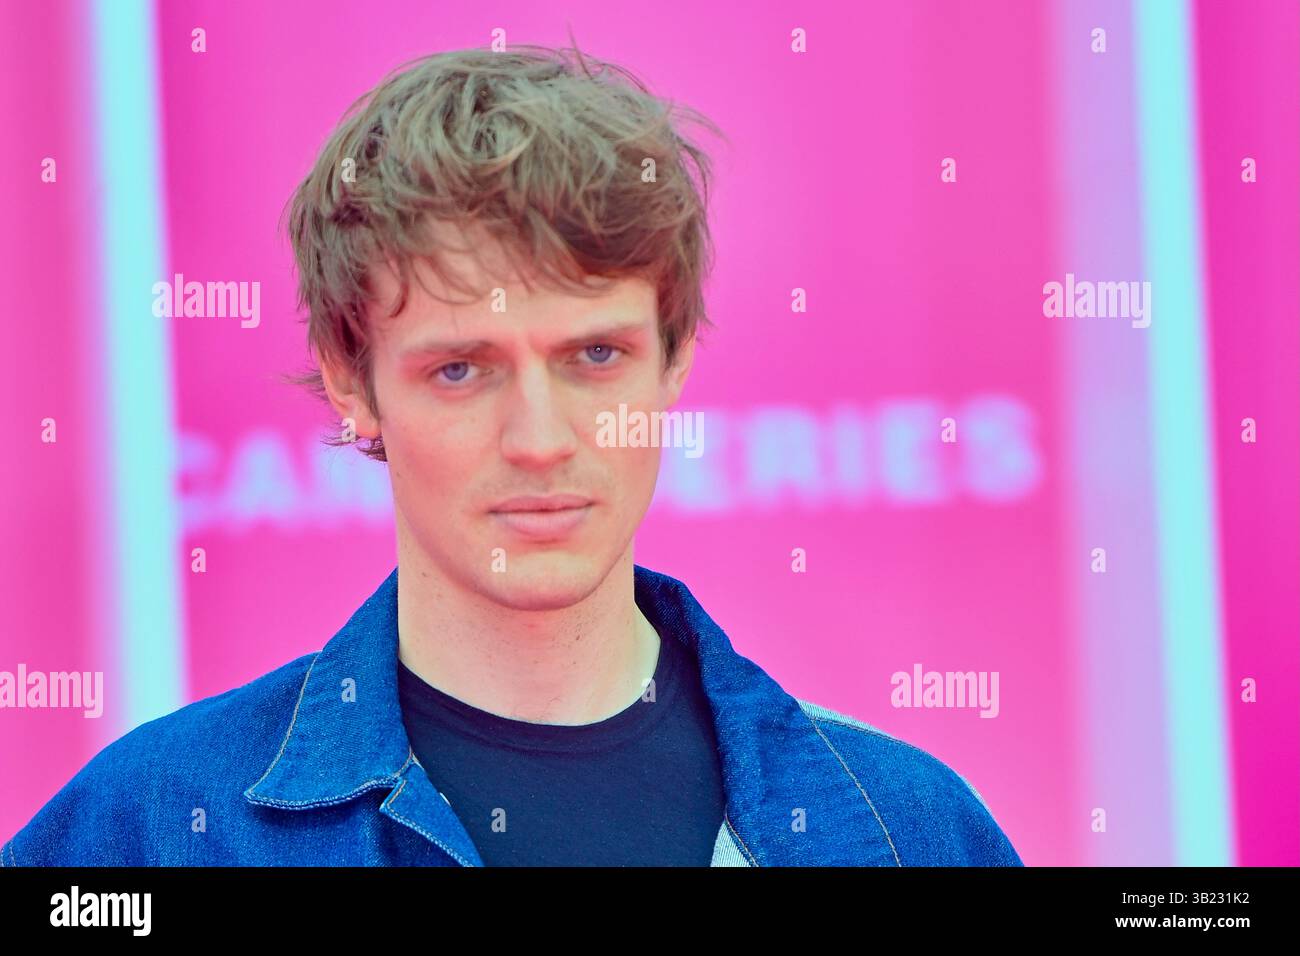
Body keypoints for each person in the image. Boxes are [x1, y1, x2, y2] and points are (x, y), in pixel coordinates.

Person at [2, 43, 1021, 867]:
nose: (539, 440)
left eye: (593, 355)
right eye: (461, 369)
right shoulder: (151, 825)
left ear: (672, 362)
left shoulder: (910, 827)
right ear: (354, 382)